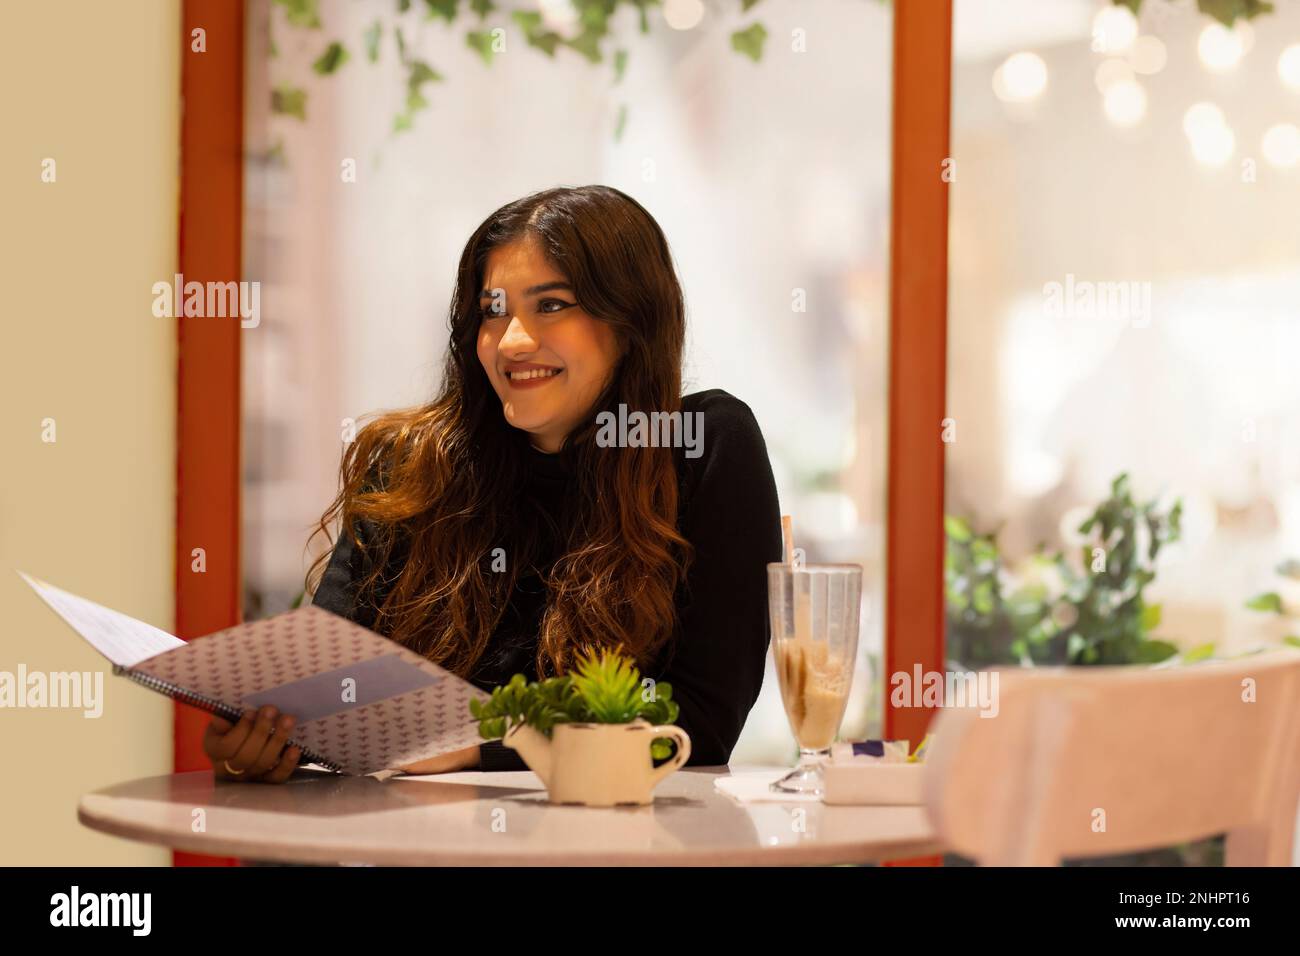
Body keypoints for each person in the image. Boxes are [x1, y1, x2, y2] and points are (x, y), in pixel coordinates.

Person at [203, 184, 782, 783]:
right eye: (493, 310)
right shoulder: (408, 465)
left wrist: (481, 744)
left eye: (552, 305)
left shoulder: (702, 445)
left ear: (630, 320)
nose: (512, 341)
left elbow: (699, 726)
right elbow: (326, 689)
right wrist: (259, 739)